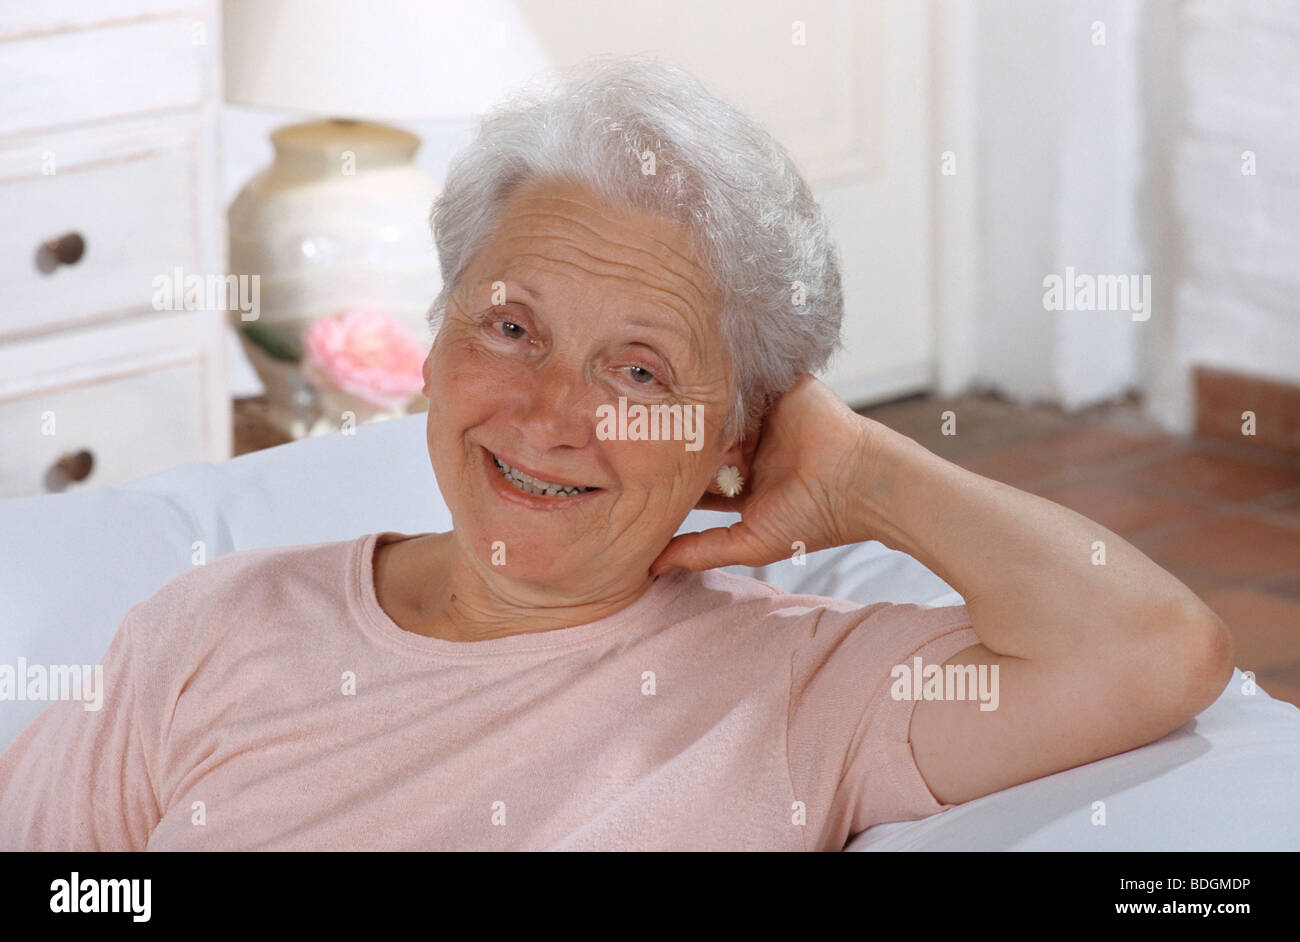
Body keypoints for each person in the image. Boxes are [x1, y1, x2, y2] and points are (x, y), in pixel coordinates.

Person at [0, 56, 1233, 851]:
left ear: (733, 441)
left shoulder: (800, 692)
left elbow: (1152, 650)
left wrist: (861, 472)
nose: (550, 414)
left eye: (638, 371)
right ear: (433, 344)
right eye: (511, 327)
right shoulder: (208, 627)